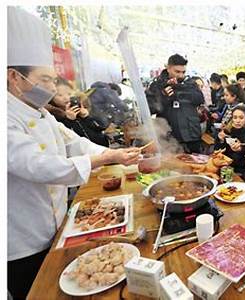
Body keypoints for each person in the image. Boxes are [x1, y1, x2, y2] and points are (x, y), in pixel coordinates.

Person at [7, 7, 141, 299]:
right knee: (39, 292)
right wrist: (104, 159)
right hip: (22, 239)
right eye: (45, 80)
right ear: (15, 77)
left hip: (54, 225)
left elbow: (73, 142)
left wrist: (114, 154)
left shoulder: (39, 111)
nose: (52, 88)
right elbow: (36, 165)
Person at [146, 54, 205, 153]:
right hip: (168, 137)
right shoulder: (156, 85)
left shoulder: (190, 83)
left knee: (194, 166)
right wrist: (164, 96)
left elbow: (200, 99)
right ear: (168, 68)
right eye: (177, 71)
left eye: (183, 72)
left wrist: (180, 89)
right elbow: (149, 109)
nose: (181, 75)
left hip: (191, 136)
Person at [46, 78, 109, 146]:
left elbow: (101, 127)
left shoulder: (82, 106)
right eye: (60, 95)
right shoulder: (51, 115)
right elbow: (63, 138)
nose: (66, 97)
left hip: (100, 148)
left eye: (69, 94)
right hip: (83, 154)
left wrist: (86, 117)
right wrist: (69, 120)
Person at [214, 104, 245, 173]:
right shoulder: (227, 130)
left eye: (241, 118)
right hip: (225, 166)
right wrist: (220, 140)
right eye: (235, 117)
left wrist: (241, 149)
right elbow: (217, 150)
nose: (237, 121)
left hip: (242, 170)